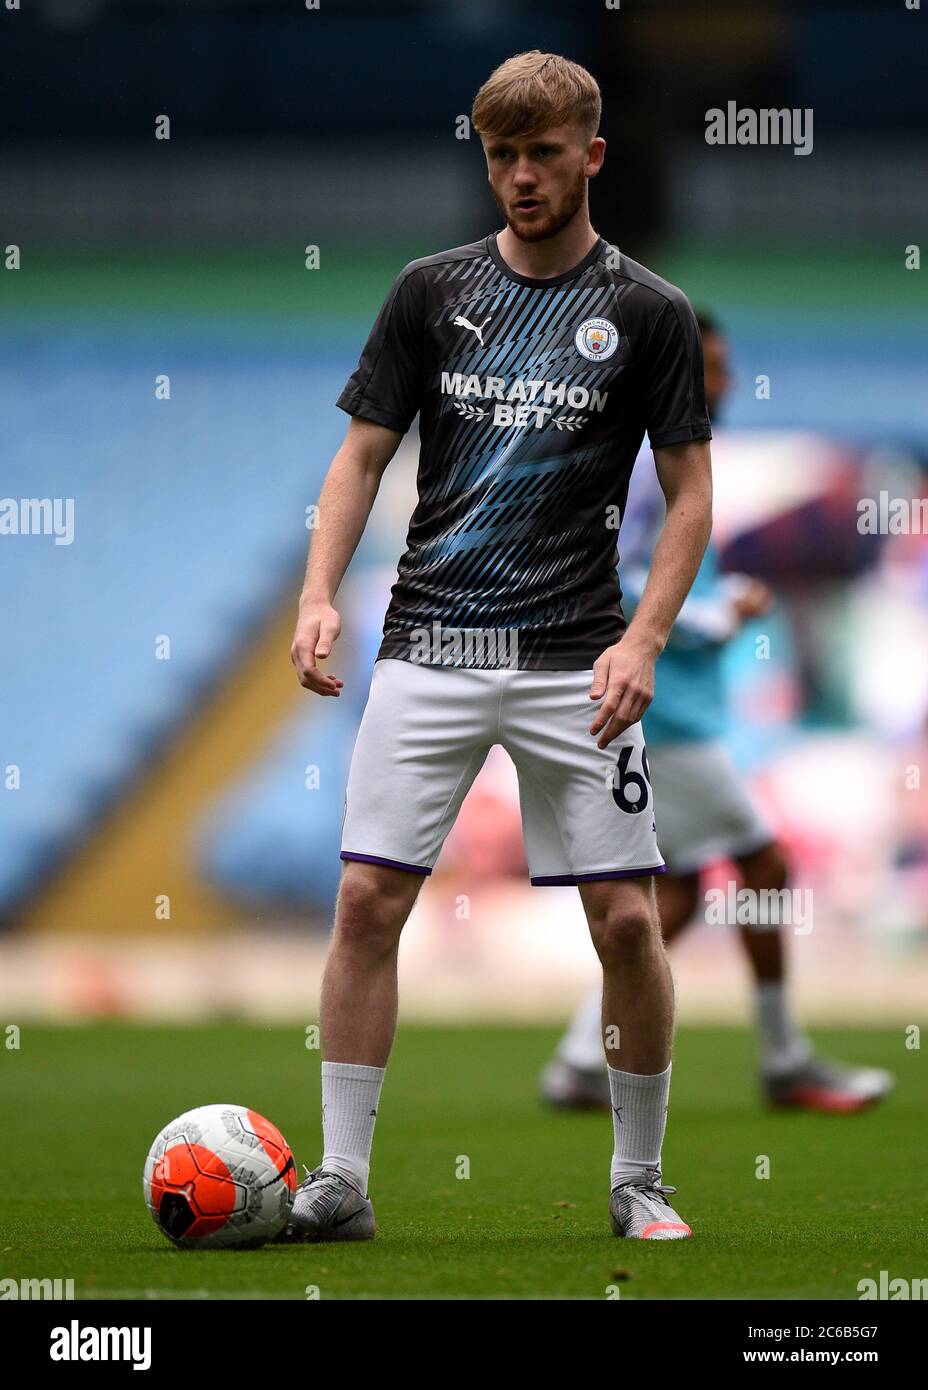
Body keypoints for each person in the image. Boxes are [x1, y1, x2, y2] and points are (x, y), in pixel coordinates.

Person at [286, 51, 714, 1243]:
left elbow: (687, 501)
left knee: (627, 921)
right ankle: (341, 1179)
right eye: (499, 156)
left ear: (592, 154)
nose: (519, 177)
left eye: (540, 153)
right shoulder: (429, 290)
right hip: (426, 642)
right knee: (367, 900)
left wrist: (645, 636)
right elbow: (361, 455)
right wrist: (320, 592)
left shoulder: (647, 312)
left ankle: (637, 1179)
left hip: (576, 658)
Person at [541, 311, 894, 1115]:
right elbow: (611, 581)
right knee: (765, 867)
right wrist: (715, 619)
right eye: (710, 369)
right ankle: (784, 1059)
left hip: (669, 709)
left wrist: (717, 599)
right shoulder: (637, 470)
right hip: (656, 714)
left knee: (683, 892)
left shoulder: (671, 459)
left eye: (728, 367)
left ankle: (579, 1060)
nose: (726, 383)